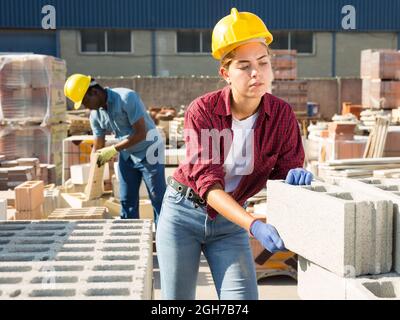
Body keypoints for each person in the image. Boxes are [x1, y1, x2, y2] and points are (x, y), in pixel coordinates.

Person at [156, 8, 313, 300]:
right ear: (225, 73)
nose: (256, 73)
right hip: (183, 214)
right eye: (244, 66)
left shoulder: (281, 115)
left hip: (230, 223)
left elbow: (284, 173)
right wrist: (254, 224)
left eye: (263, 63)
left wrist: (292, 178)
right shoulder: (202, 111)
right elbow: (208, 184)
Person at [64, 75, 166, 223]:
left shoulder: (126, 98)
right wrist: (93, 177)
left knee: (157, 198)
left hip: (150, 150)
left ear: (94, 92)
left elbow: (141, 133)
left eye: (85, 101)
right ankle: (131, 238)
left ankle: (163, 239)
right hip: (127, 155)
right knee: (126, 201)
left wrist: (113, 149)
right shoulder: (95, 115)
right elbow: (98, 146)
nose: (86, 107)